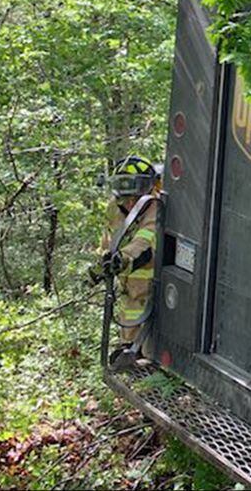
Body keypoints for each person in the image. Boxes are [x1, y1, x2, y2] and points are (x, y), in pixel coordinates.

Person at [90, 155, 160, 368]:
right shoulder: (114, 207)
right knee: (129, 302)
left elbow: (146, 239)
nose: (130, 204)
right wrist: (97, 267)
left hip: (149, 266)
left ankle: (143, 353)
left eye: (136, 197)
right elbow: (108, 239)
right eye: (125, 198)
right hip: (127, 275)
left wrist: (124, 258)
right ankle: (128, 345)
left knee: (142, 298)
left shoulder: (155, 205)